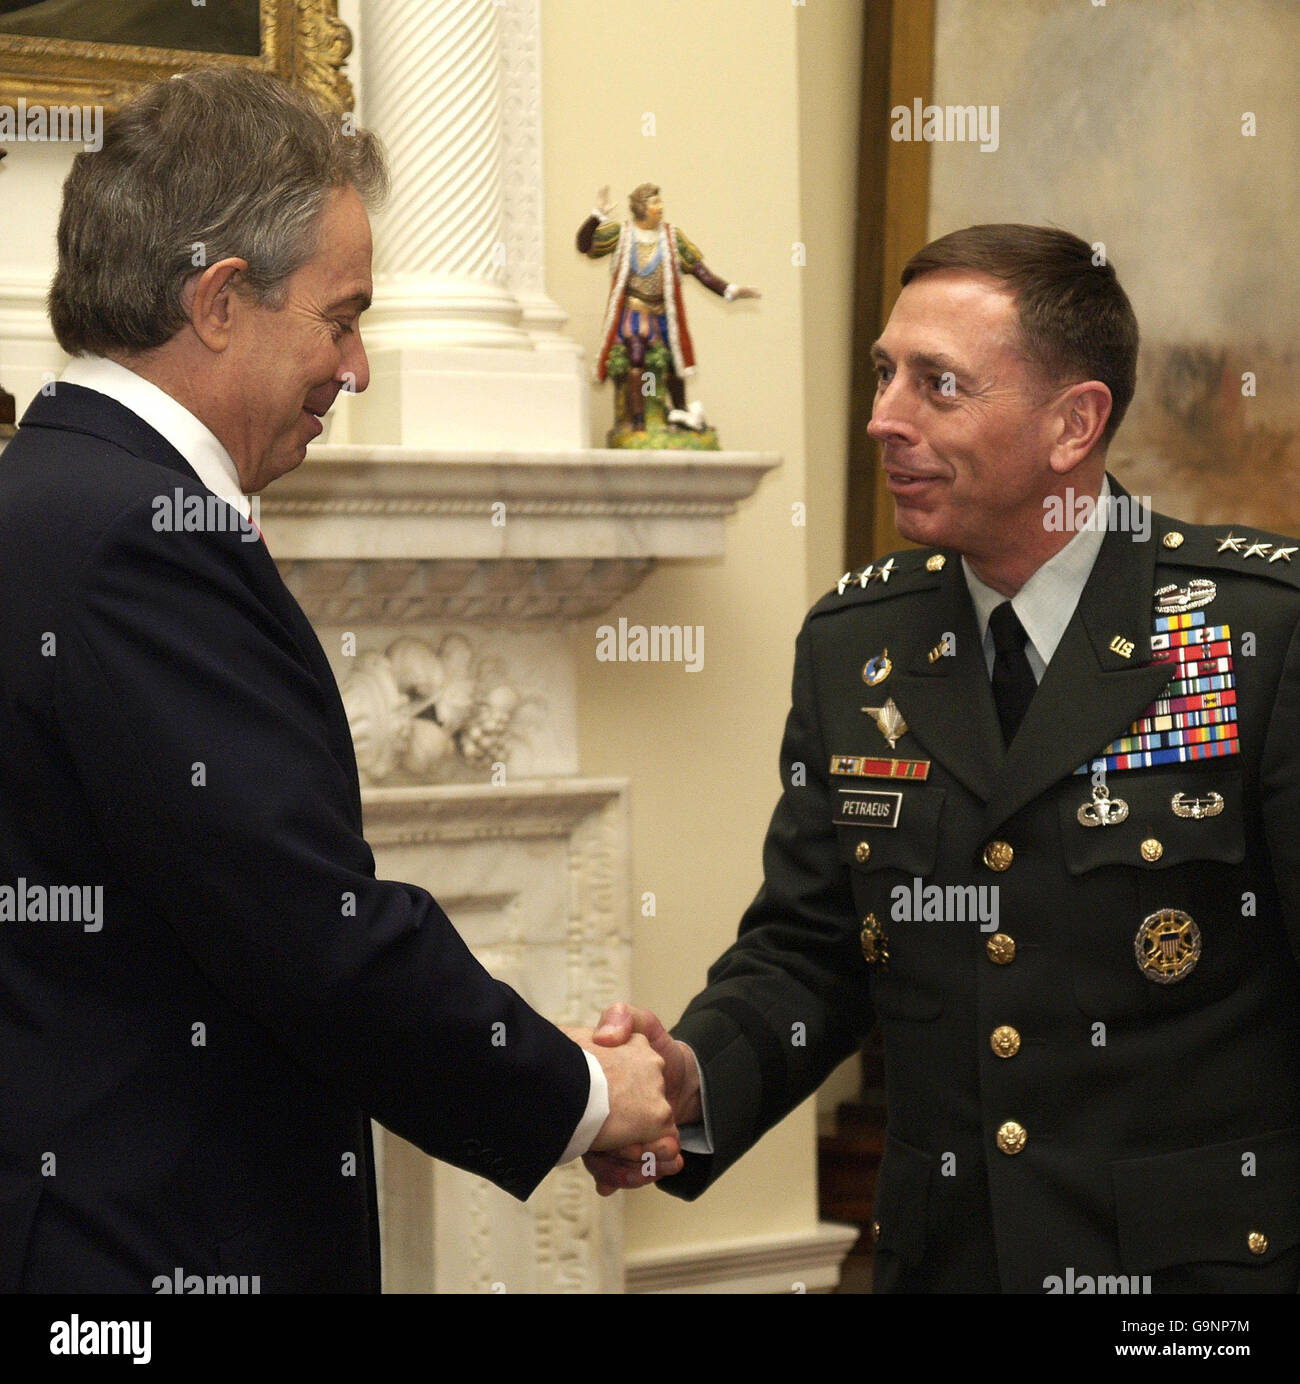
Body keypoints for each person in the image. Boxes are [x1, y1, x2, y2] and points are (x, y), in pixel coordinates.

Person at [0, 68, 673, 1294]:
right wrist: (582, 1093)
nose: (357, 367)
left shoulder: (46, 495)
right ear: (219, 302)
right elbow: (308, 929)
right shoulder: (141, 537)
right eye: (342, 316)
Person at [583, 224, 1300, 1294]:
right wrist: (687, 1075)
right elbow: (814, 949)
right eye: (884, 373)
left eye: (938, 384)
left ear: (1073, 424)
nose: (885, 418)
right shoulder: (855, 645)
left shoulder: (1254, 635)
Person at [576, 183, 758, 433]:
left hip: (663, 314)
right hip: (633, 311)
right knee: (637, 356)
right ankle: (639, 422)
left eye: (660, 203)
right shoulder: (623, 234)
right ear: (641, 208)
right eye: (654, 203)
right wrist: (597, 216)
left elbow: (699, 271)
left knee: (673, 361)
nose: (660, 208)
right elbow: (584, 246)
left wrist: (730, 290)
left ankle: (680, 410)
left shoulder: (672, 238)